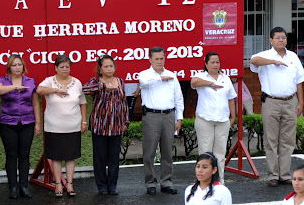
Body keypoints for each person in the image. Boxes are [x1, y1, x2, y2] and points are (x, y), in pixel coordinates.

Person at [250, 27, 304, 187]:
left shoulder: (293, 57)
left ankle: (285, 174)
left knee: (288, 140)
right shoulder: (265, 55)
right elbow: (253, 61)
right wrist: (273, 62)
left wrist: (301, 102)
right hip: (271, 102)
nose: (281, 40)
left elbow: (299, 81)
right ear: (271, 40)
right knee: (271, 140)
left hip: (290, 101)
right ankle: (273, 175)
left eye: (283, 37)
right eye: (277, 37)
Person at [36, 55, 87, 197]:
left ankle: (69, 183)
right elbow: (39, 90)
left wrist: (84, 121)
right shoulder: (49, 81)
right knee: (56, 157)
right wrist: (54, 90)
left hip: (73, 126)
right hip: (54, 127)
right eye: (62, 67)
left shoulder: (77, 82)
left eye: (67, 67)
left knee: (70, 157)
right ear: (56, 68)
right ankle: (58, 183)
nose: (65, 69)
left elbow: (83, 102)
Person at [139, 47, 185, 195]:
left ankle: (166, 182)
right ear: (150, 59)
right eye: (156, 59)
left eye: (161, 58)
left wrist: (179, 118)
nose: (159, 61)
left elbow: (178, 98)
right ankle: (150, 183)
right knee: (149, 152)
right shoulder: (144, 74)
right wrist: (160, 78)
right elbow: (144, 83)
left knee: (167, 151)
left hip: (169, 116)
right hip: (151, 116)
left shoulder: (172, 75)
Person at [0, 55, 41, 199]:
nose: (17, 67)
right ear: (9, 67)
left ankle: (24, 187)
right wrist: (15, 87)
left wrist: (38, 123)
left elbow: (35, 103)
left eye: (19, 65)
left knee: (24, 155)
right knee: (11, 155)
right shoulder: (2, 80)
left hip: (27, 122)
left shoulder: (30, 81)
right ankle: (13, 187)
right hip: (8, 123)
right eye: (14, 65)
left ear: (23, 66)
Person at [83, 55, 129, 195]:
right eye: (106, 66)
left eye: (111, 66)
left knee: (114, 157)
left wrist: (126, 121)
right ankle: (102, 186)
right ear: (100, 69)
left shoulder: (120, 81)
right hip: (99, 125)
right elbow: (84, 90)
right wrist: (102, 86)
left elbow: (124, 102)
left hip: (116, 126)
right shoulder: (95, 81)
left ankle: (112, 185)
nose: (109, 69)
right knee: (100, 157)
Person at [191, 52, 236, 183]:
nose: (215, 65)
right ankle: (204, 182)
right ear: (206, 64)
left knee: (220, 154)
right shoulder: (201, 76)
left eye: (217, 62)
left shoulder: (225, 78)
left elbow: (231, 99)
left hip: (222, 120)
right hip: (205, 120)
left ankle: (219, 181)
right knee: (205, 153)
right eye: (212, 62)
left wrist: (233, 116)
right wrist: (210, 84)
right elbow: (194, 82)